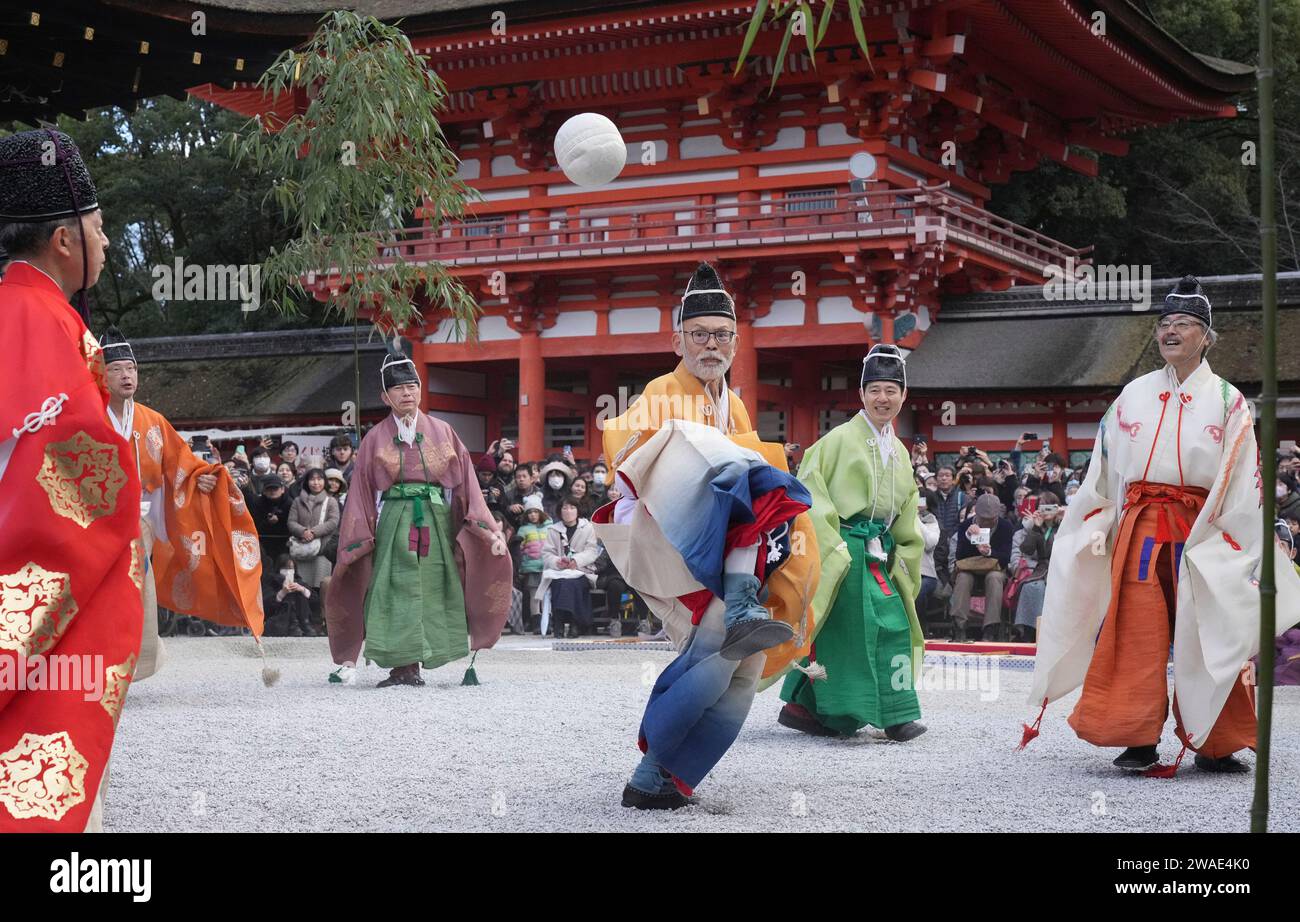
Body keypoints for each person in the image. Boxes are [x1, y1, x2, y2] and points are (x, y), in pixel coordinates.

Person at [1025, 277, 1300, 774]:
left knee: (1209, 632)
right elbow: (1103, 470)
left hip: (1202, 527)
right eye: (1165, 325)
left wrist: (1237, 542)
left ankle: (1215, 741)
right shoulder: (1133, 394)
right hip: (1140, 528)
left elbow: (1243, 481)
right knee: (1135, 630)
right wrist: (1096, 520)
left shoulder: (1228, 401)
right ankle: (1136, 736)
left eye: (1184, 325)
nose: (1171, 332)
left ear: (1206, 336)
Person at [593, 261, 818, 809]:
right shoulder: (661, 391)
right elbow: (625, 455)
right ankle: (649, 773)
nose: (710, 345)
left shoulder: (733, 402)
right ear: (678, 340)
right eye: (699, 335)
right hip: (677, 542)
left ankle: (674, 774)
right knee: (716, 650)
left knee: (742, 665)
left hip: (731, 547)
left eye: (721, 335)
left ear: (737, 342)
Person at [0, 128, 142, 832]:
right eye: (99, 225)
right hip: (49, 601)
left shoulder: (27, 313)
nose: (108, 241)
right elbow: (67, 491)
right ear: (64, 238)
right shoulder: (38, 324)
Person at [325, 349, 510, 687]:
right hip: (394, 520)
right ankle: (402, 665)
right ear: (385, 396)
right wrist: (358, 537)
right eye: (399, 389)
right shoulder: (374, 438)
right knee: (394, 587)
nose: (407, 393)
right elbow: (362, 492)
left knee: (435, 585)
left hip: (436, 521)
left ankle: (427, 655)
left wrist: (487, 529)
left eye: (412, 386)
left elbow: (466, 482)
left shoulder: (443, 431)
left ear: (421, 390)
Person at [777, 345, 927, 741]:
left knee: (887, 626)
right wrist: (835, 547)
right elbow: (809, 496)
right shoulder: (836, 441)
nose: (883, 398)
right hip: (843, 544)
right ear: (861, 394)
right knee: (853, 630)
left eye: (891, 390)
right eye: (875, 389)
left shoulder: (899, 450)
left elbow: (908, 507)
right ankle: (863, 713)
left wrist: (904, 550)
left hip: (880, 547)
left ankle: (806, 708)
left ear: (903, 395)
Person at [99, 327, 265, 676]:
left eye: (132, 368)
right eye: (117, 369)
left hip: (138, 524)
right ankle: (94, 670)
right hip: (95, 523)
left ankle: (129, 670)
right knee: (98, 599)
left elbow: (180, 464)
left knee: (135, 596)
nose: (127, 375)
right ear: (100, 373)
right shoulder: (88, 416)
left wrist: (199, 478)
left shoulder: (151, 421)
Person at [950, 493, 1014, 641]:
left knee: (994, 578)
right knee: (963, 578)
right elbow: (959, 556)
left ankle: (990, 628)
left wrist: (990, 552)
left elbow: (1006, 558)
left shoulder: (1005, 527)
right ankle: (959, 626)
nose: (986, 522)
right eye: (983, 519)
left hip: (995, 568)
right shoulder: (965, 526)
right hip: (969, 568)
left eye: (990, 519)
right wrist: (968, 537)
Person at [538, 498, 600, 637]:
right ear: (560, 511)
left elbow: (592, 550)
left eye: (572, 507)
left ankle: (574, 623)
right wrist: (558, 561)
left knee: (573, 584)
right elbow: (547, 553)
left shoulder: (588, 528)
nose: (568, 511)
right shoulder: (554, 529)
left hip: (582, 570)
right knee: (560, 584)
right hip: (559, 571)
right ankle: (559, 623)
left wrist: (576, 560)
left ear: (578, 510)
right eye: (565, 508)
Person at [288, 468, 339, 634]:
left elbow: (333, 522)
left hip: (322, 551)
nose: (316, 482)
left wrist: (314, 532)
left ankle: (320, 620)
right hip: (302, 552)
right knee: (303, 586)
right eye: (312, 479)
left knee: (321, 587)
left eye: (319, 479)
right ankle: (304, 620)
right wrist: (303, 532)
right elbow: (291, 522)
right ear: (307, 481)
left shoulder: (330, 501)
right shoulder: (297, 501)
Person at [515, 494, 550, 628]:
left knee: (547, 594)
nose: (533, 515)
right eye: (529, 512)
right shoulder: (523, 530)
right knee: (535, 595)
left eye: (536, 512)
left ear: (541, 512)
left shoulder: (550, 527)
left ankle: (548, 620)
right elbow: (520, 549)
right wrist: (522, 566)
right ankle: (536, 620)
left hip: (547, 567)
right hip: (531, 567)